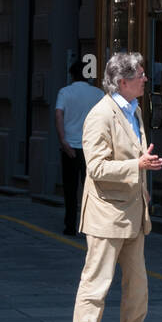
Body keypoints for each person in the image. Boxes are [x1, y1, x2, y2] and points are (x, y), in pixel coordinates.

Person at [66, 53, 162, 322]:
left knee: (138, 286)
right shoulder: (100, 115)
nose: (145, 79)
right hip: (107, 214)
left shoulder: (133, 111)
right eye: (140, 75)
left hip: (134, 214)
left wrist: (143, 188)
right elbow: (94, 167)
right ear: (123, 82)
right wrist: (137, 165)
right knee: (96, 283)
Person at [55, 59, 103, 236]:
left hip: (70, 148)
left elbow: (58, 115)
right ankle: (93, 226)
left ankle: (70, 226)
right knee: (92, 189)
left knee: (70, 188)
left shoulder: (65, 92)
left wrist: (63, 141)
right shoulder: (98, 94)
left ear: (72, 75)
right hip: (91, 148)